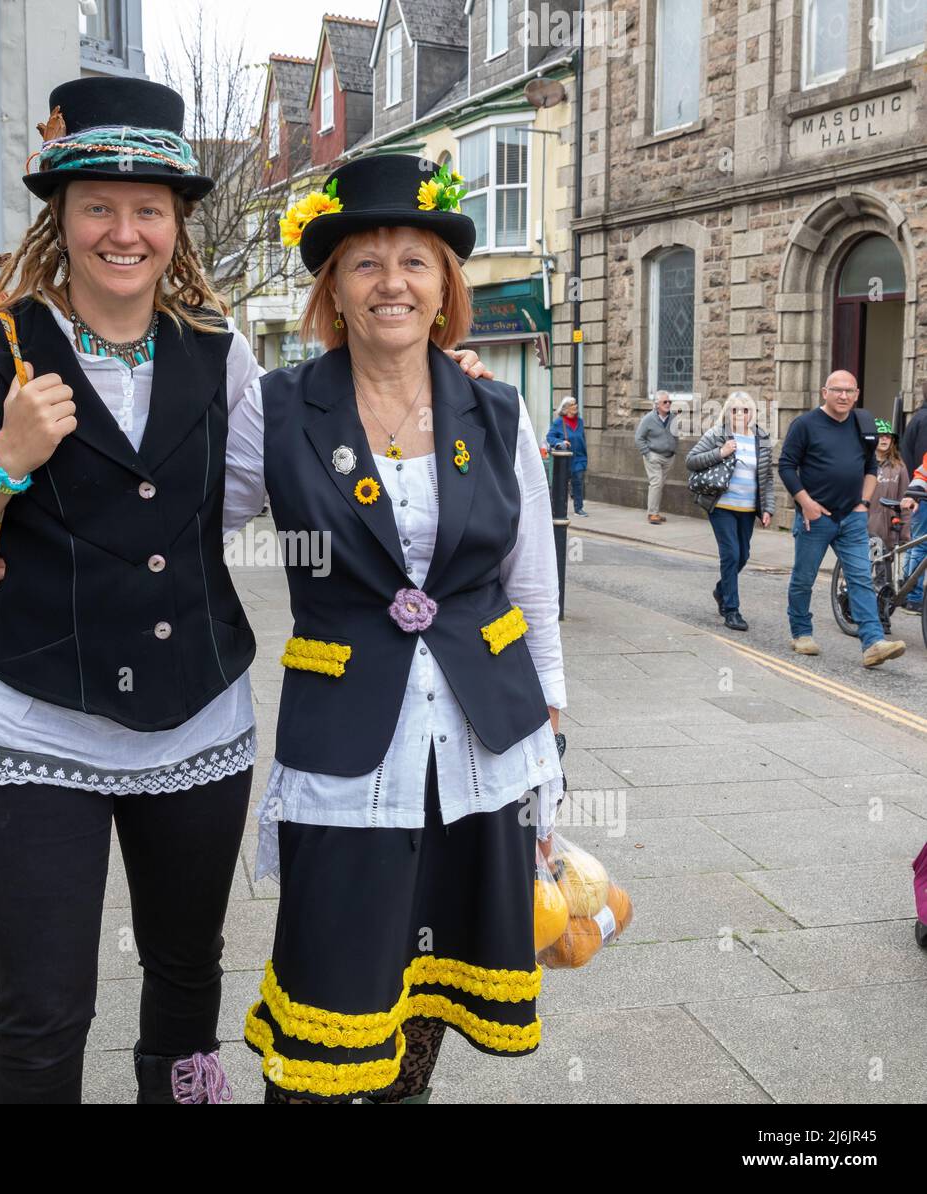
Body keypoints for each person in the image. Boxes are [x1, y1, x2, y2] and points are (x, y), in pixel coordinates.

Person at [0, 77, 276, 1104]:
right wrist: (2, 462)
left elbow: (232, 505)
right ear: (60, 214)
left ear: (178, 221)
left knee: (189, 985)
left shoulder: (223, 356)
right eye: (98, 203)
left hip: (197, 719)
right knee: (45, 1007)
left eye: (149, 206)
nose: (124, 230)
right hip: (33, 726)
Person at [233, 154, 567, 1103]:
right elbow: (179, 527)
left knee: (432, 993)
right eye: (366, 262)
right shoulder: (280, 406)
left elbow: (531, 585)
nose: (392, 282)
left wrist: (554, 724)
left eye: (415, 261)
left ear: (445, 284)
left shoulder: (497, 411)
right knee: (332, 978)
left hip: (483, 736)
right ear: (332, 287)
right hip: (349, 740)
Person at [776, 370, 905, 667]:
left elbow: (871, 468)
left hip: (852, 518)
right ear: (825, 392)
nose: (843, 396)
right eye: (837, 390)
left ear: (857, 394)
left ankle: (873, 642)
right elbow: (786, 465)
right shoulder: (805, 425)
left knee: (860, 578)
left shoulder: (862, 424)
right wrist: (806, 503)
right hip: (816, 517)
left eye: (849, 391)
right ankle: (801, 633)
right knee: (804, 578)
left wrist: (863, 503)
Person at [685, 393, 774, 631]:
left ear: (751, 413)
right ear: (728, 412)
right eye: (734, 410)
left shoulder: (761, 437)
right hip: (722, 505)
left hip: (748, 509)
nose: (740, 415)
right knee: (731, 555)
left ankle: (721, 589)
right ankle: (732, 610)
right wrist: (720, 452)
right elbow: (691, 460)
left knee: (743, 555)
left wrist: (768, 508)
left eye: (745, 410)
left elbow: (767, 477)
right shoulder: (717, 434)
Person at [894, 396, 927, 613]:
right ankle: (911, 594)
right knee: (921, 544)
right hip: (923, 497)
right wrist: (913, 494)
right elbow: (923, 470)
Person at [868, 420, 910, 565]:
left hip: (891, 530)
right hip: (869, 527)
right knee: (870, 564)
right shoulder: (864, 464)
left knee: (885, 572)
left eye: (888, 436)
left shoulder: (899, 467)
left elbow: (905, 498)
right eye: (881, 435)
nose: (885, 439)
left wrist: (905, 530)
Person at [635, 391, 679, 525]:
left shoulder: (673, 418)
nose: (668, 404)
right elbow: (638, 438)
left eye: (669, 402)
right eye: (664, 402)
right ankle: (652, 514)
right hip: (653, 455)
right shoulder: (648, 419)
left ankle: (655, 512)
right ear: (657, 405)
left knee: (660, 485)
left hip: (669, 457)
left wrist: (674, 449)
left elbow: (675, 435)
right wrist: (648, 454)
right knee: (656, 482)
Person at [547, 396, 588, 516]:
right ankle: (558, 508)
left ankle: (578, 508)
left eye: (575, 404)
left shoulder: (580, 421)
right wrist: (561, 443)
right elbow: (550, 437)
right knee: (562, 484)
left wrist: (585, 457)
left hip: (579, 457)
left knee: (578, 482)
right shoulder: (559, 422)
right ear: (566, 408)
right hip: (565, 459)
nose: (575, 406)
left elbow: (583, 438)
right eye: (572, 405)